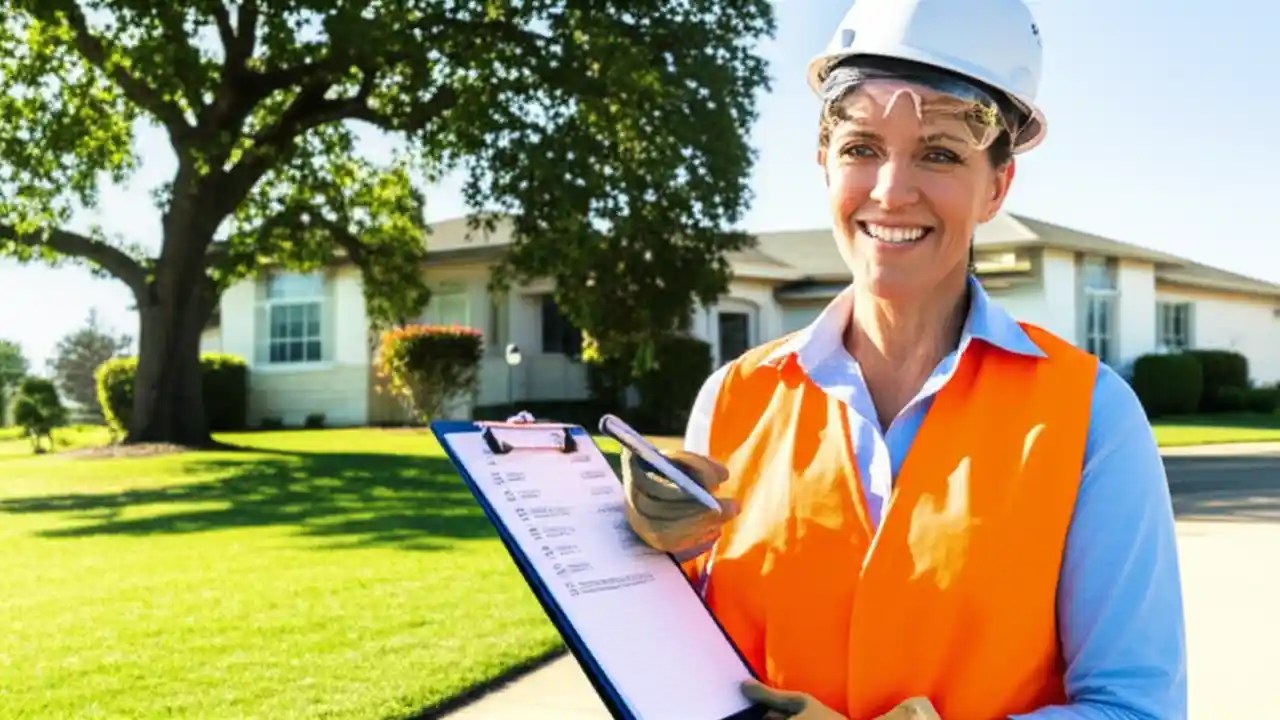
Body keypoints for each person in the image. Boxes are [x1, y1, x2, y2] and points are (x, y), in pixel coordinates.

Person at [620, 0, 1188, 718]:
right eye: (860, 148)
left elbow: (1138, 706)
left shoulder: (1090, 415)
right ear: (823, 161)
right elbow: (682, 672)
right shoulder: (735, 397)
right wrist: (643, 561)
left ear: (997, 188)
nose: (891, 191)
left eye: (941, 153)